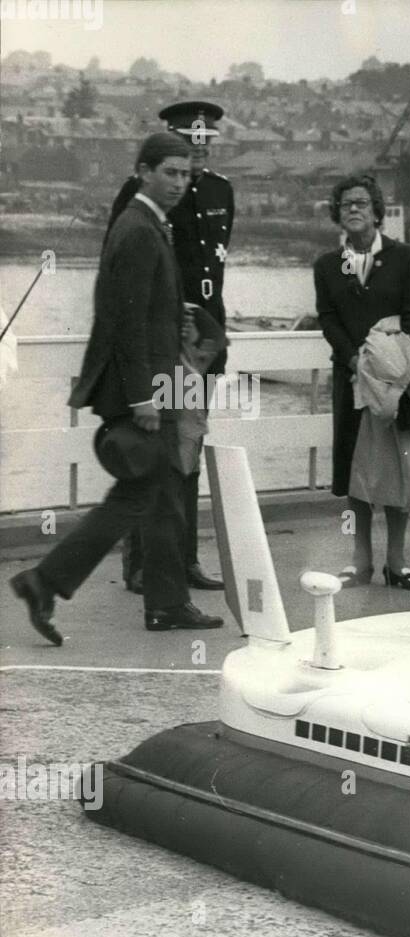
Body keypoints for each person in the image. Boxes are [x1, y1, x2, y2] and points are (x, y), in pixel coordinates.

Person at [10, 133, 225, 643]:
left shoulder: (150, 226)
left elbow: (142, 309)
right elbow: (124, 322)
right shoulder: (138, 229)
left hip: (158, 381)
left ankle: (154, 601)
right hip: (147, 391)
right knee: (146, 494)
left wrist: (179, 315)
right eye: (170, 172)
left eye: (185, 174)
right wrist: (142, 398)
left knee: (155, 495)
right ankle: (54, 582)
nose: (180, 182)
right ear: (143, 172)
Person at [109, 99, 233, 596]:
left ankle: (184, 558)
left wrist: (212, 342)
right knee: (155, 454)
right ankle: (142, 563)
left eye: (205, 140)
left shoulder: (222, 189)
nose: (198, 149)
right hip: (163, 346)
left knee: (189, 451)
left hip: (200, 344)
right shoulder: (146, 193)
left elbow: (213, 271)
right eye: (189, 139)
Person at [313, 173, 410, 590]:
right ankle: (360, 561)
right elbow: (328, 318)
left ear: (377, 210)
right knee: (355, 471)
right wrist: (352, 360)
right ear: (337, 214)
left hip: (397, 382)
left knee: (399, 467)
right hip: (350, 380)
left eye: (362, 203)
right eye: (346, 205)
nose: (355, 210)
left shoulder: (405, 258)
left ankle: (397, 562)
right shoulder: (327, 266)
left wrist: (390, 368)